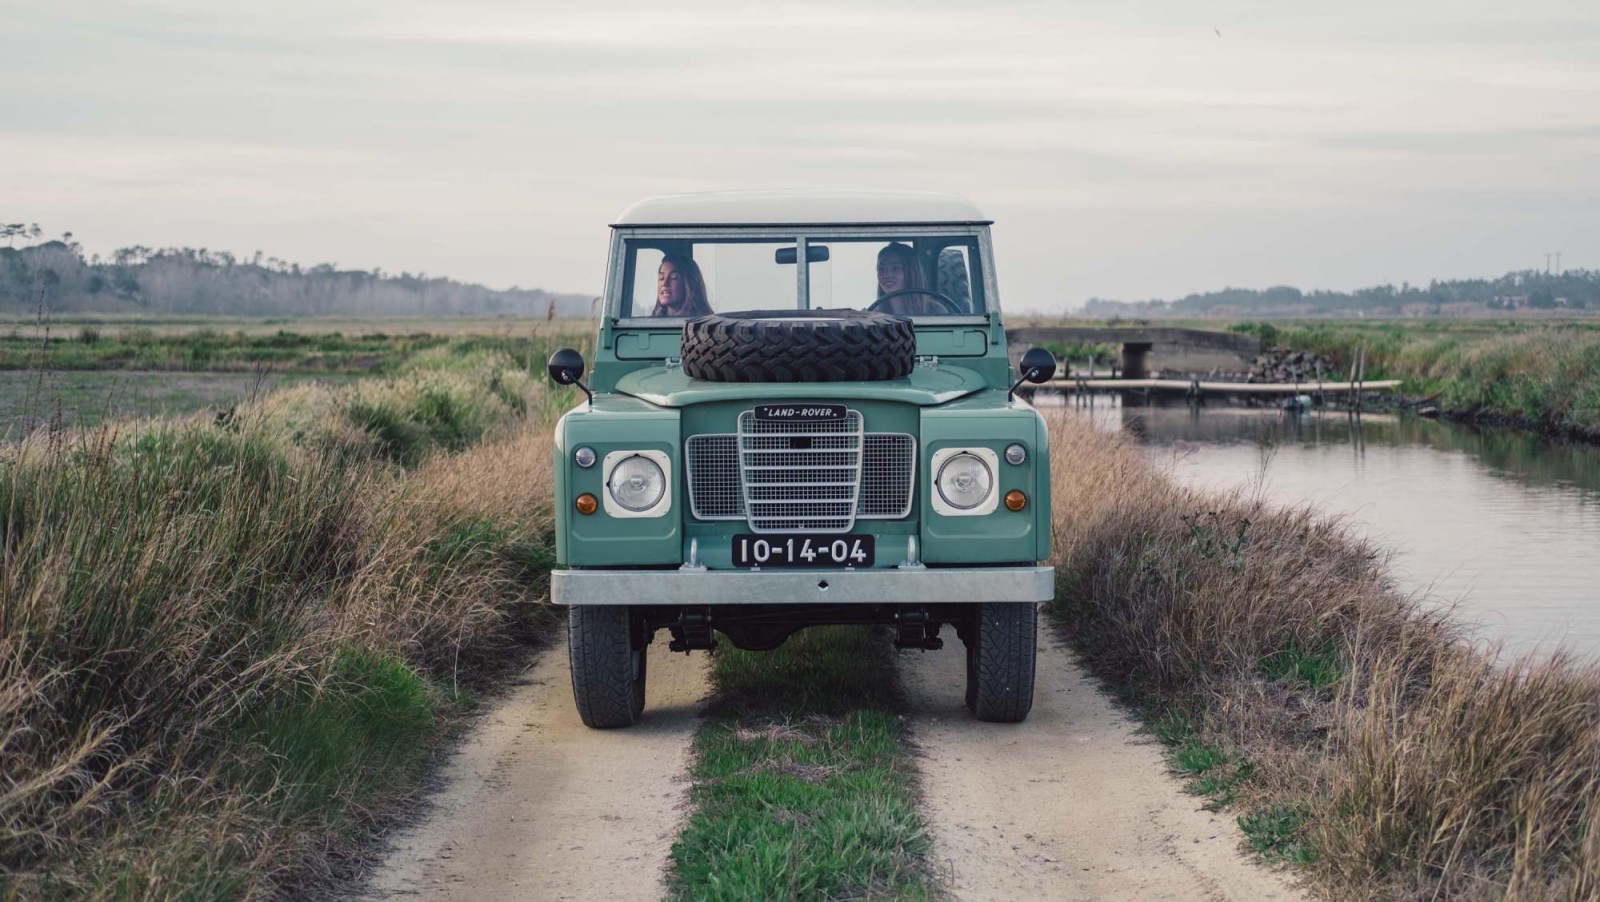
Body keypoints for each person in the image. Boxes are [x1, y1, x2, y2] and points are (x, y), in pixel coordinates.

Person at [875, 243, 940, 315]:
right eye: (881, 269)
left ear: (911, 272)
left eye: (896, 268)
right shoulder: (875, 314)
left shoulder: (935, 310)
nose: (887, 275)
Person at [652, 253, 713, 317]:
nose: (665, 283)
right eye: (661, 278)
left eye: (674, 277)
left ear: (689, 284)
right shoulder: (651, 322)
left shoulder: (703, 323)